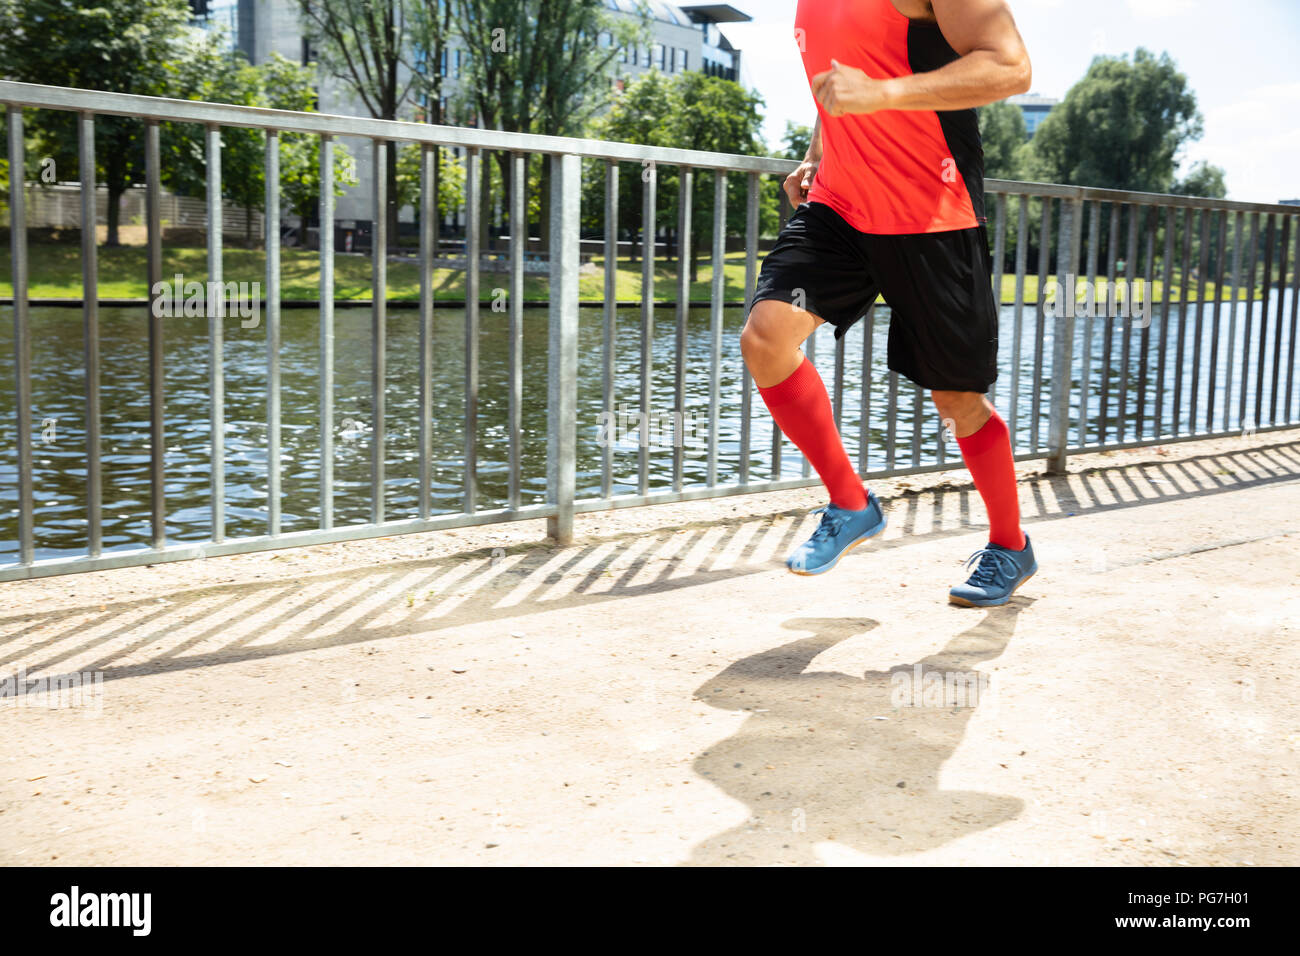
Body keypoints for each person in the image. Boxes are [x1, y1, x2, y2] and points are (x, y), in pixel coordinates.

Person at [742, 0, 1035, 606]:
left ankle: (1010, 546)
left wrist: (882, 93)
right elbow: (842, 79)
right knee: (767, 338)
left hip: (934, 214)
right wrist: (817, 150)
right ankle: (851, 503)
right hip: (839, 208)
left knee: (957, 399)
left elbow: (1011, 68)